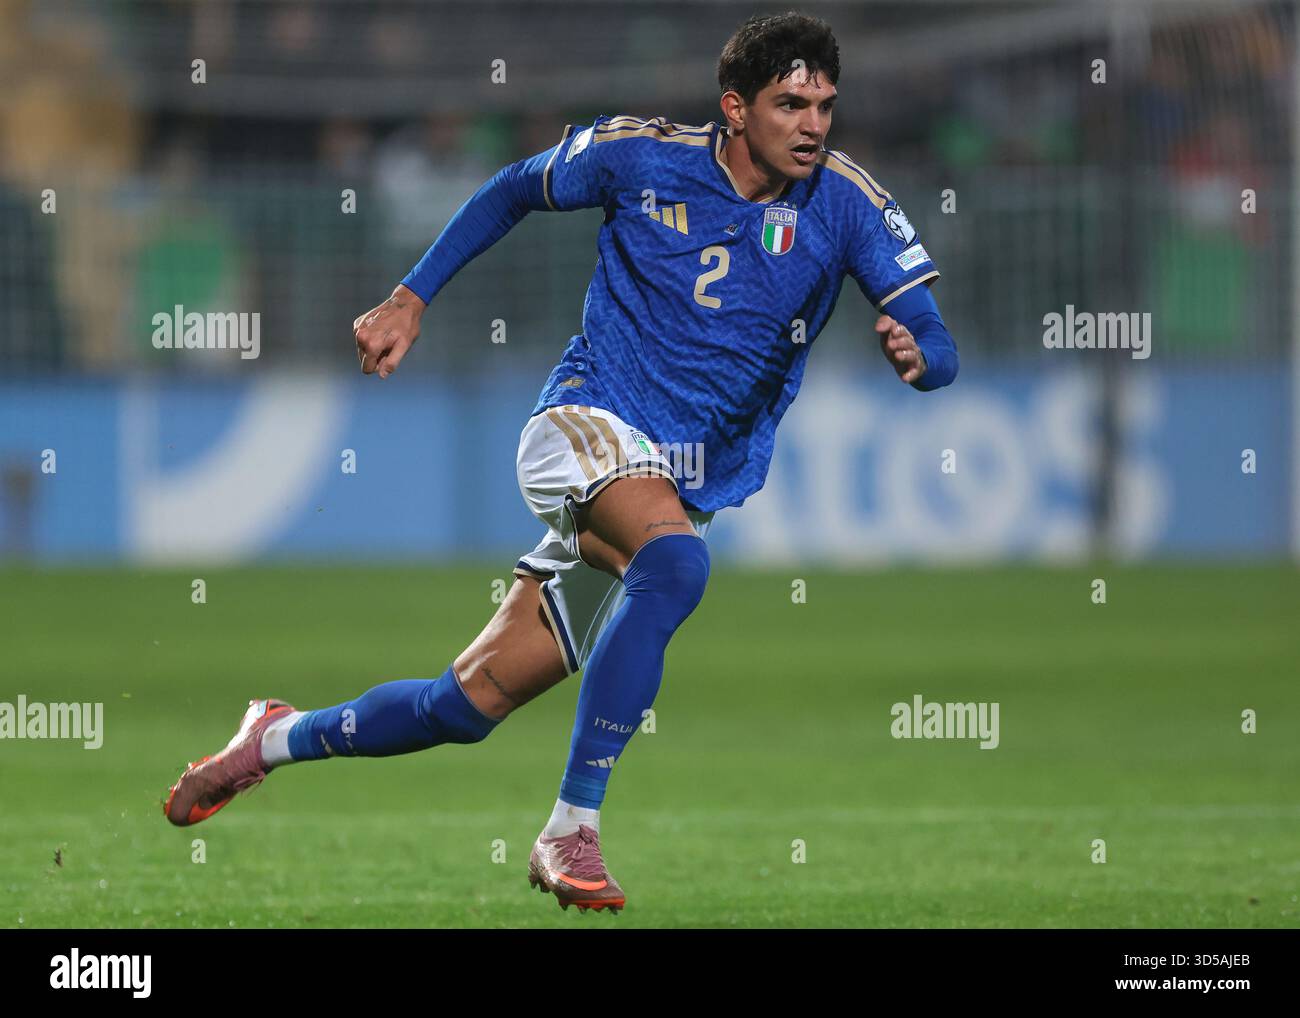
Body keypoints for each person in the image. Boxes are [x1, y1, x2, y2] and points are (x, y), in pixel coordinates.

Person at [163, 11, 958, 914]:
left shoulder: (846, 201)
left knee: (458, 709)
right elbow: (511, 189)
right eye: (790, 104)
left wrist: (921, 355)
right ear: (735, 108)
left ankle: (270, 738)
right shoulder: (640, 155)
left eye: (824, 105)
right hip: (583, 424)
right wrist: (409, 297)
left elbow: (935, 336)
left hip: (672, 483)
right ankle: (570, 829)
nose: (813, 125)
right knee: (674, 566)